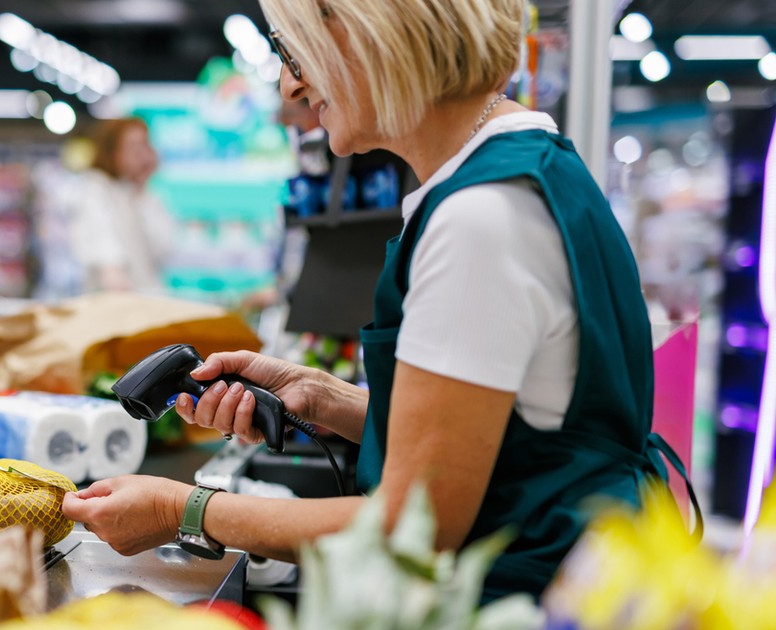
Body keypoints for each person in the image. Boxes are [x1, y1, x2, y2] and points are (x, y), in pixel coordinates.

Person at [62, 0, 695, 602]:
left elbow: (410, 528)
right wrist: (326, 399)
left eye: (293, 52)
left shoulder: (478, 219)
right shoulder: (528, 167)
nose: (290, 88)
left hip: (522, 593)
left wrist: (182, 510)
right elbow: (513, 439)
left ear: (366, 34)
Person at [68, 117, 175, 294]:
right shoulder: (96, 190)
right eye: (133, 147)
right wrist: (113, 275)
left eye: (145, 144)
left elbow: (162, 250)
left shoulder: (142, 195)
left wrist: (142, 190)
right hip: (117, 303)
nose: (142, 154)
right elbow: (104, 250)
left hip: (145, 299)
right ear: (112, 151)